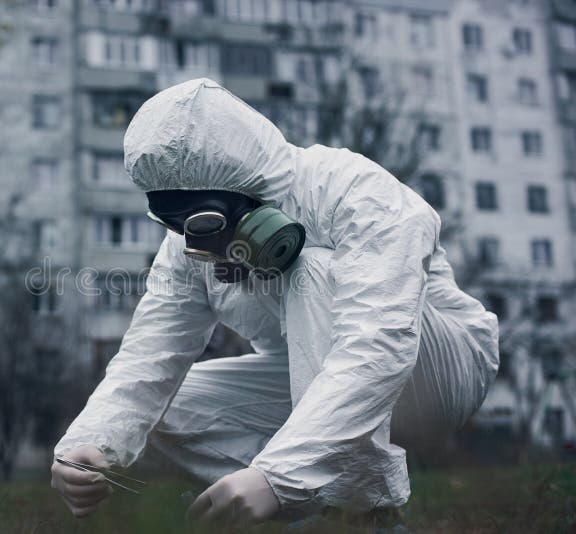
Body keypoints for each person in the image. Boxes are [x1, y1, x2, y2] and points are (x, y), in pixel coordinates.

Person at [51, 78, 499, 527]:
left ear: (253, 191)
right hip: (314, 381)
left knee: (312, 272)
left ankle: (364, 516)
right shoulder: (185, 249)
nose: (195, 243)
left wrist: (280, 476)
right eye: (174, 222)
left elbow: (379, 342)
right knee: (165, 413)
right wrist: (91, 444)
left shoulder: (351, 189)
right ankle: (309, 509)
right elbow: (149, 356)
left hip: (441, 372)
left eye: (205, 220)